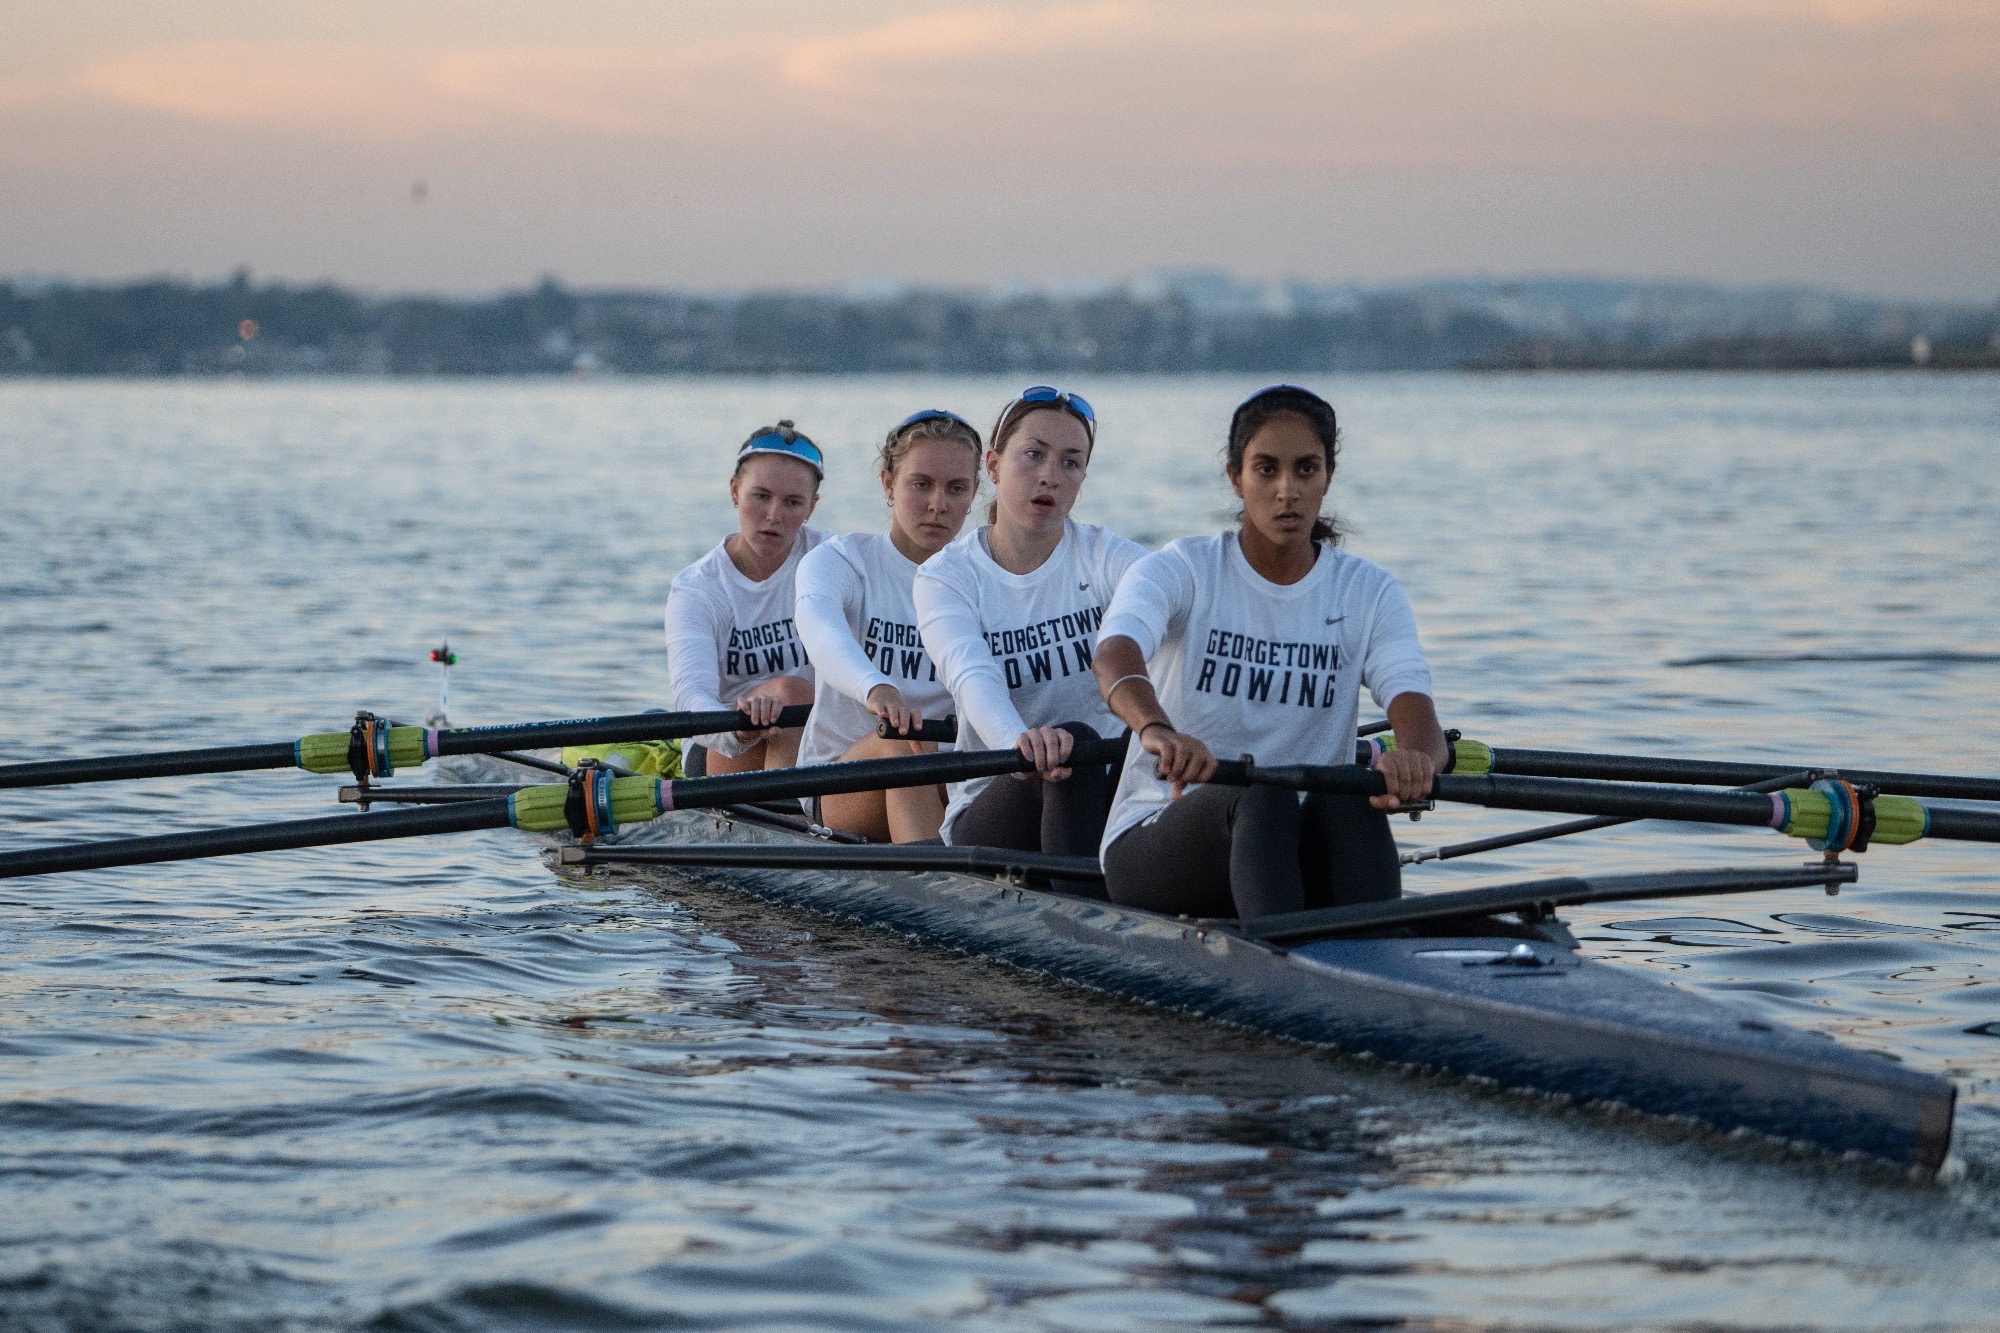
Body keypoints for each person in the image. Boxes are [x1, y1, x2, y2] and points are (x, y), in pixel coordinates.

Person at [1091, 384, 1448, 919]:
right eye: (1266, 470)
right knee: (1265, 794)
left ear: (1328, 476)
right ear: (1236, 478)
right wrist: (1156, 729)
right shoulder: (1182, 569)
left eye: (1306, 469)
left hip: (1294, 842)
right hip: (1158, 835)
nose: (1287, 491)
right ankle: (1292, 968)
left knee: (1349, 797)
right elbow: (1115, 654)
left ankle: (1380, 963)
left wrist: (1418, 759)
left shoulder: (1369, 591)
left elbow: (1415, 710)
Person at [914, 386, 1143, 885]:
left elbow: (1177, 605)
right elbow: (971, 676)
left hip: (1106, 787)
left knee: (1130, 740)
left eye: (1070, 462)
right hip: (996, 805)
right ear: (993, 467)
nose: (1049, 476)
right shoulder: (945, 577)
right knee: (1073, 748)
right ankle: (1090, 926)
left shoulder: (1108, 556)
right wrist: (1019, 744)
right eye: (1033, 455)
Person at [794, 409, 983, 841]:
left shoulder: (983, 575)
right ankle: (939, 892)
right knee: (900, 741)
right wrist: (876, 689)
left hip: (953, 769)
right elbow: (818, 627)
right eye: (921, 485)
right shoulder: (843, 561)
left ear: (974, 494)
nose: (938, 504)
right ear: (888, 483)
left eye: (956, 488)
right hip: (841, 780)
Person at [663, 420, 828, 776]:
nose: (773, 515)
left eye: (792, 502)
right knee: (791, 691)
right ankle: (800, 823)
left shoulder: (834, 560)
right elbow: (691, 697)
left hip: (822, 739)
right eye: (761, 496)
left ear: (811, 508)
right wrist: (738, 726)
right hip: (720, 748)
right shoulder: (697, 589)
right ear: (735, 491)